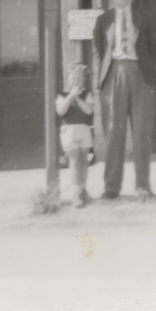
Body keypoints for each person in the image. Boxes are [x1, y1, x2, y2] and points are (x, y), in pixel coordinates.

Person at [93, 0, 156, 202]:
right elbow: (100, 52)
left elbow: (155, 46)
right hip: (114, 75)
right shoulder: (103, 20)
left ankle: (143, 186)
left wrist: (143, 65)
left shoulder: (145, 15)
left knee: (142, 133)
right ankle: (111, 187)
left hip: (140, 73)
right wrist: (111, 70)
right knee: (113, 133)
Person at [56, 62, 94, 208]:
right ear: (68, 79)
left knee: (84, 160)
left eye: (79, 79)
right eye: (73, 79)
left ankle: (82, 188)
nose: (76, 82)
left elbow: (89, 111)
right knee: (74, 161)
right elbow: (61, 111)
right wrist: (71, 97)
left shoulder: (86, 94)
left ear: (83, 81)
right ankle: (75, 191)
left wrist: (78, 98)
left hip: (83, 130)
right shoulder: (62, 95)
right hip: (69, 131)